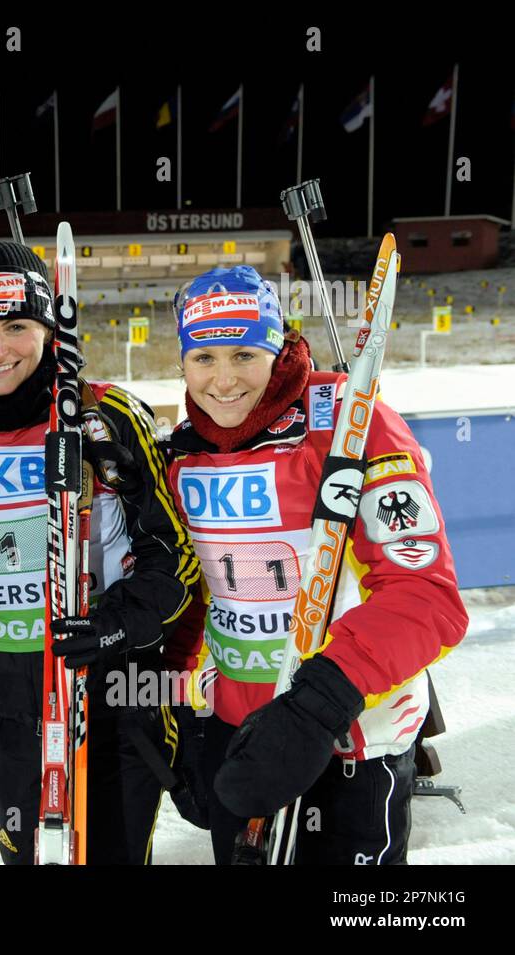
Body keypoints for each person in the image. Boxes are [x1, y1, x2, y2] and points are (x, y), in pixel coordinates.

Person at [0, 241, 200, 864]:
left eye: (17, 326)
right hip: (4, 690)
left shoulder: (103, 415)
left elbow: (177, 557)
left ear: (48, 328)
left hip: (116, 685)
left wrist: (116, 626)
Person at [161, 265, 468, 864]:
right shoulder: (183, 452)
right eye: (204, 358)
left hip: (351, 731)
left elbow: (427, 597)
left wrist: (317, 704)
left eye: (244, 354)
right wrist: (182, 719)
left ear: (277, 350)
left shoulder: (353, 422)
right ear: (183, 363)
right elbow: (193, 599)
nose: (223, 381)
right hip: (240, 733)